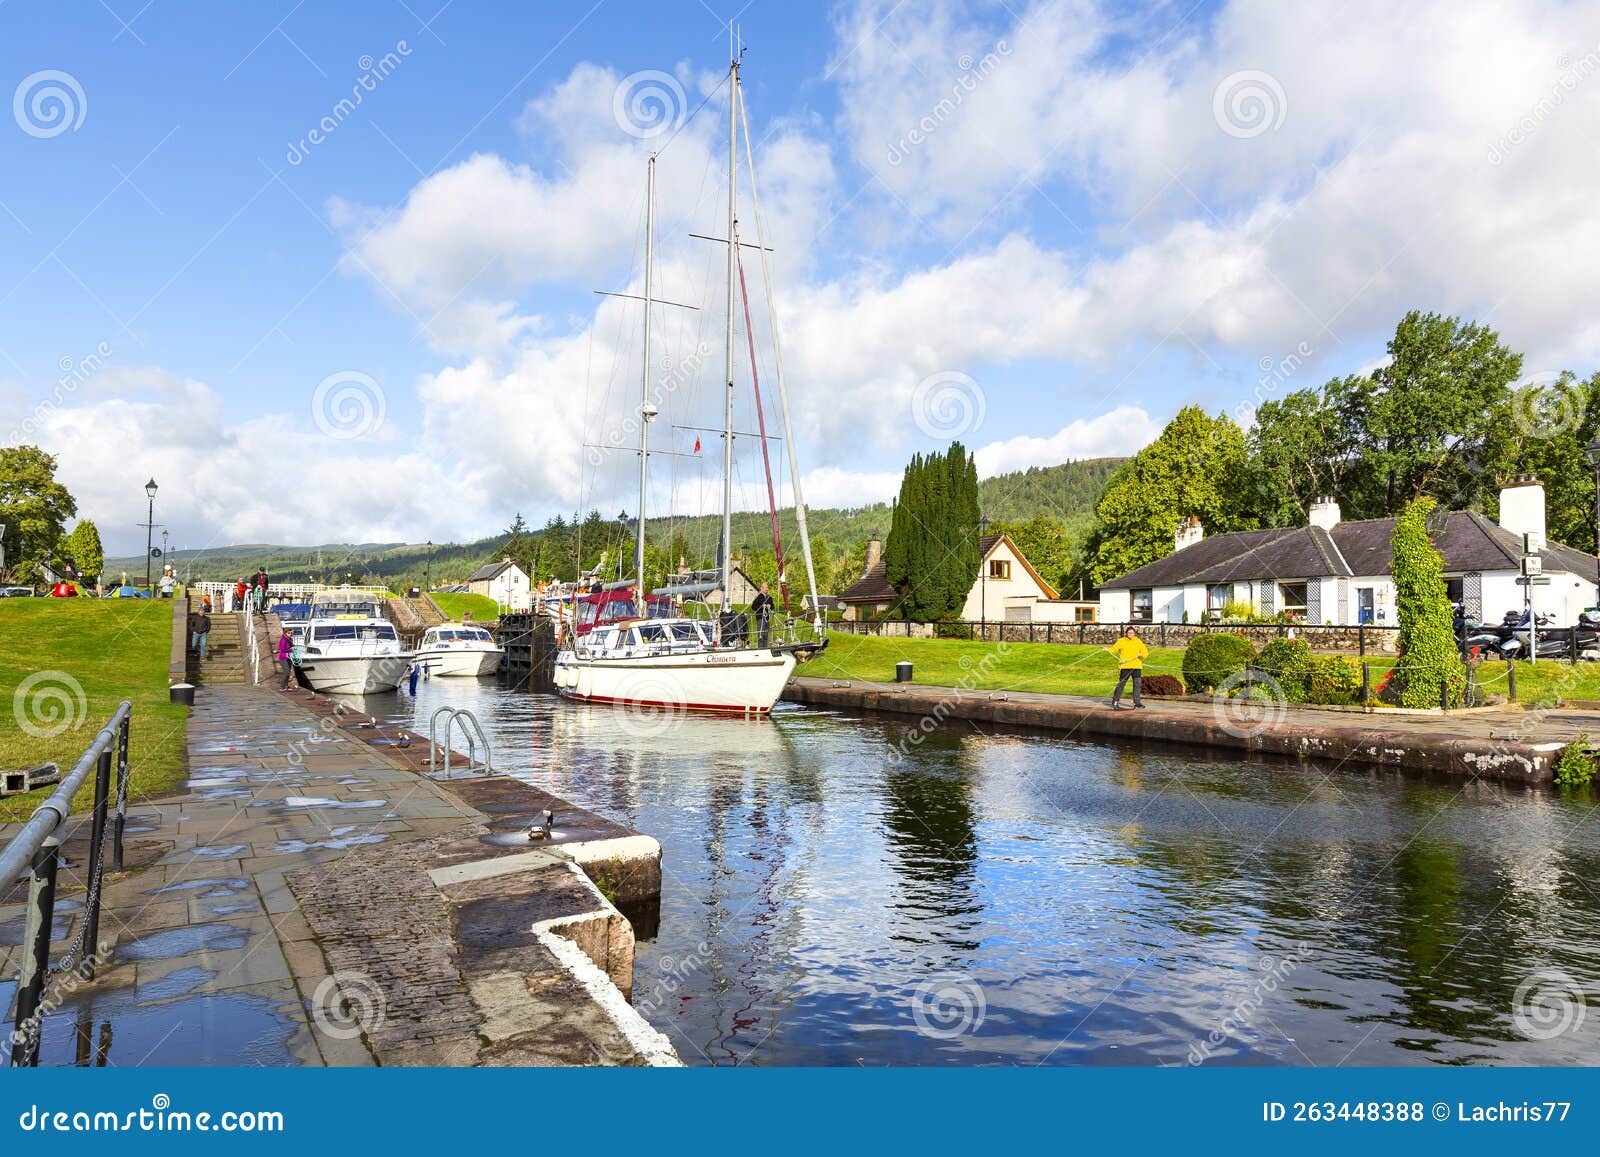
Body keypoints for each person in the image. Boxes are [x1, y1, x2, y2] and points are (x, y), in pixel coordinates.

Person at [1104, 625, 1149, 709]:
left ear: (1134, 634)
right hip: (1125, 667)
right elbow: (1114, 649)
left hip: (1136, 667)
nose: (1130, 634)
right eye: (1129, 633)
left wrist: (1141, 655)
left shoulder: (1138, 641)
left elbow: (1145, 653)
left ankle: (1137, 702)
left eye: (1132, 633)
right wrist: (1107, 649)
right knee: (1121, 684)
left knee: (1137, 685)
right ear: (1126, 633)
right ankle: (1115, 701)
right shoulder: (1121, 641)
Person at [751, 581, 776, 647]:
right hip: (760, 617)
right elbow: (753, 607)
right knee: (761, 635)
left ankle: (765, 648)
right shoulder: (758, 597)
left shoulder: (769, 597)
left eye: (767, 588)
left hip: (767, 618)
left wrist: (770, 606)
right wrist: (762, 606)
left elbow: (773, 606)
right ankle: (760, 649)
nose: (767, 589)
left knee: (766, 635)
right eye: (765, 588)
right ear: (761, 588)